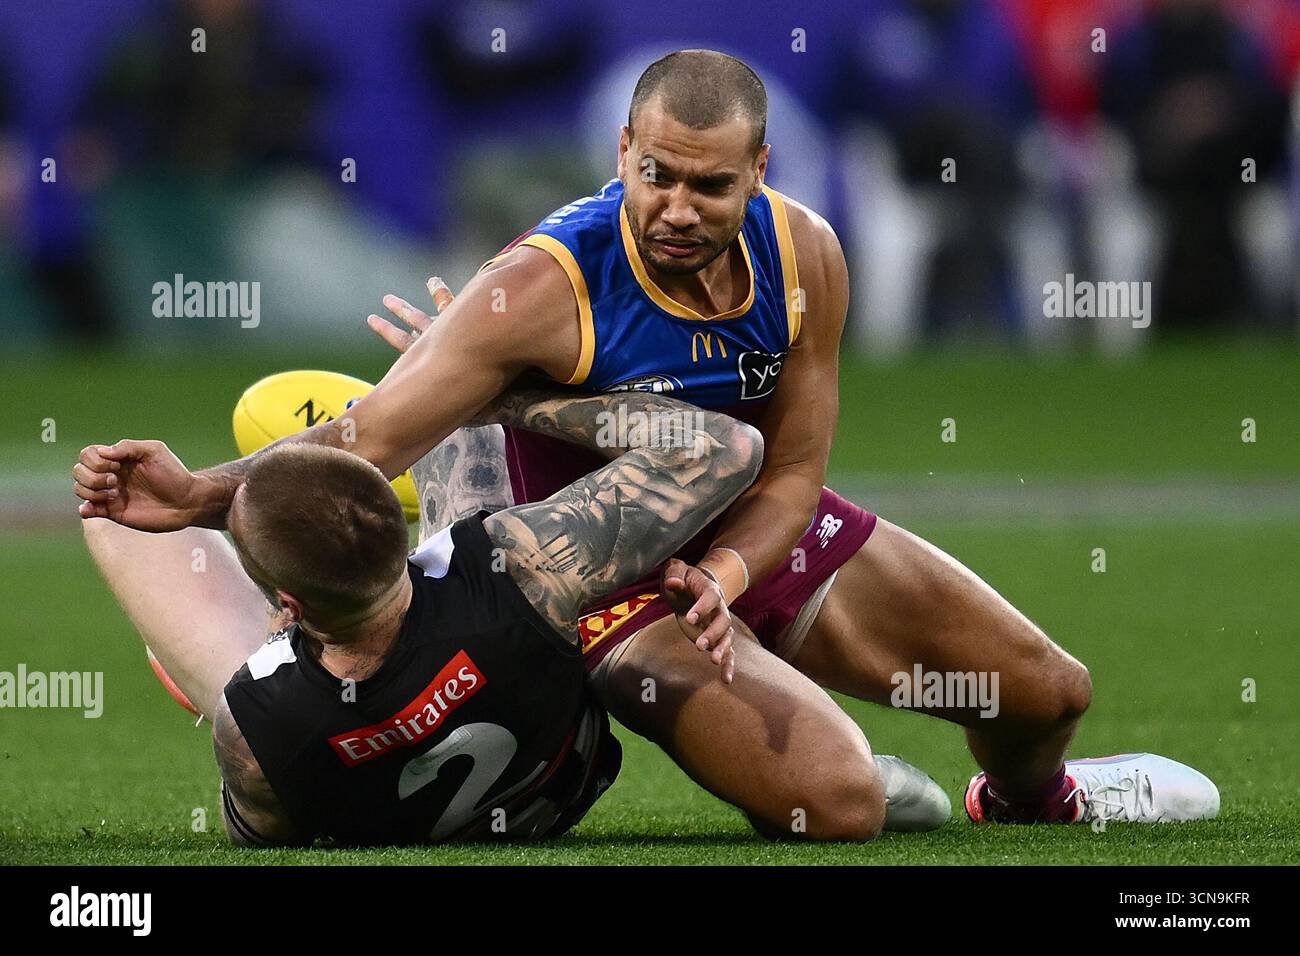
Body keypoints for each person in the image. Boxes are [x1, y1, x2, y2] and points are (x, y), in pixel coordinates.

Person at [76, 50, 1217, 834]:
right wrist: (198, 499)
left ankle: (1030, 806)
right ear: (622, 148)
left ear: (757, 174)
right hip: (597, 574)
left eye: (707, 185)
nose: (673, 204)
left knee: (1040, 693)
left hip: (734, 524)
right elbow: (371, 435)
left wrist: (727, 572)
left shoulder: (805, 255)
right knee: (834, 804)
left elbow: (796, 468)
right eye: (652, 172)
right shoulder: (537, 283)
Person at [81, 386, 761, 845]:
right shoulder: (525, 567)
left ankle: (235, 650)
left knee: (110, 523)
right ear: (399, 532)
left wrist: (278, 660)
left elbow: (259, 833)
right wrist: (500, 391)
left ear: (284, 606)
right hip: (553, 797)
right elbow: (724, 448)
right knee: (456, 414)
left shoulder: (252, 728)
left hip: (318, 730)